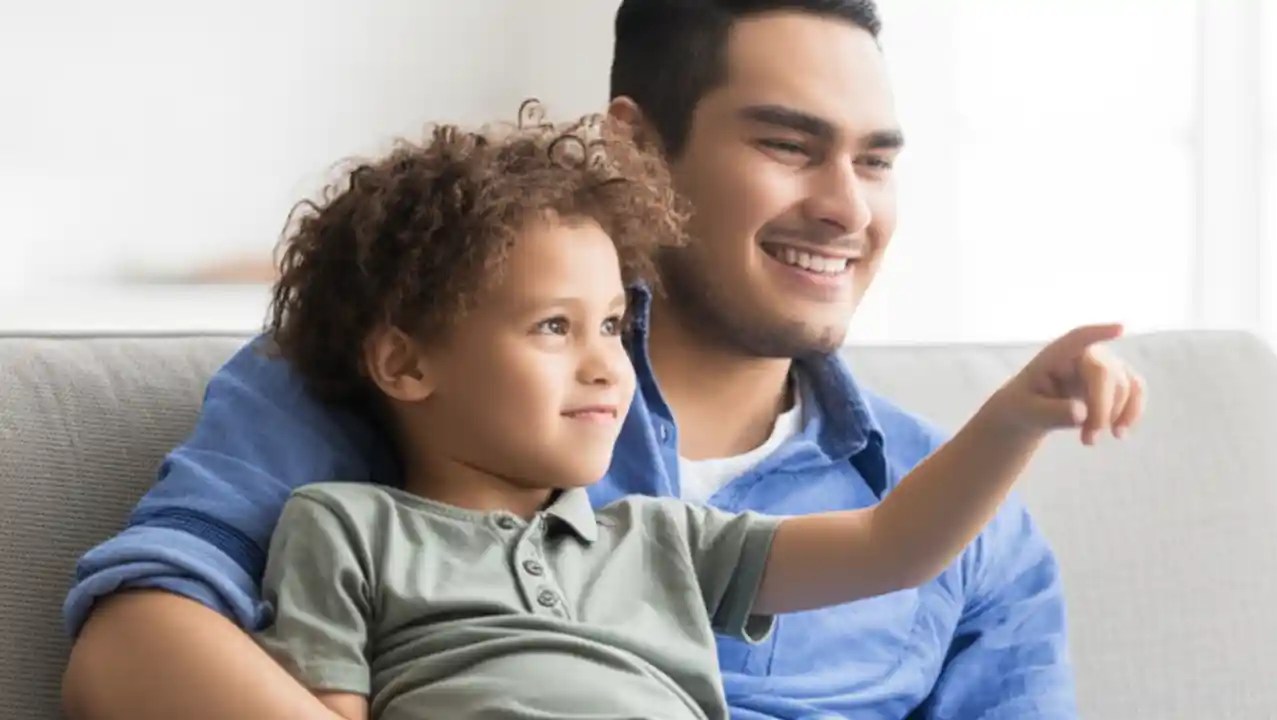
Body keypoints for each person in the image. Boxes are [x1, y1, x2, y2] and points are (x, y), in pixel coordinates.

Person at [61, 2, 1147, 718]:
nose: (844, 206)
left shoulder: (962, 522)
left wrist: (1014, 415)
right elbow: (135, 641)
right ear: (633, 144)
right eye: (786, 144)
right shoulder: (378, 375)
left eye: (873, 160)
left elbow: (894, 545)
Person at [248, 112, 1138, 720]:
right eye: (554, 327)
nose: (606, 362)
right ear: (405, 363)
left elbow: (892, 546)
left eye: (609, 324)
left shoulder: (663, 541)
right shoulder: (344, 528)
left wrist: (1018, 415)